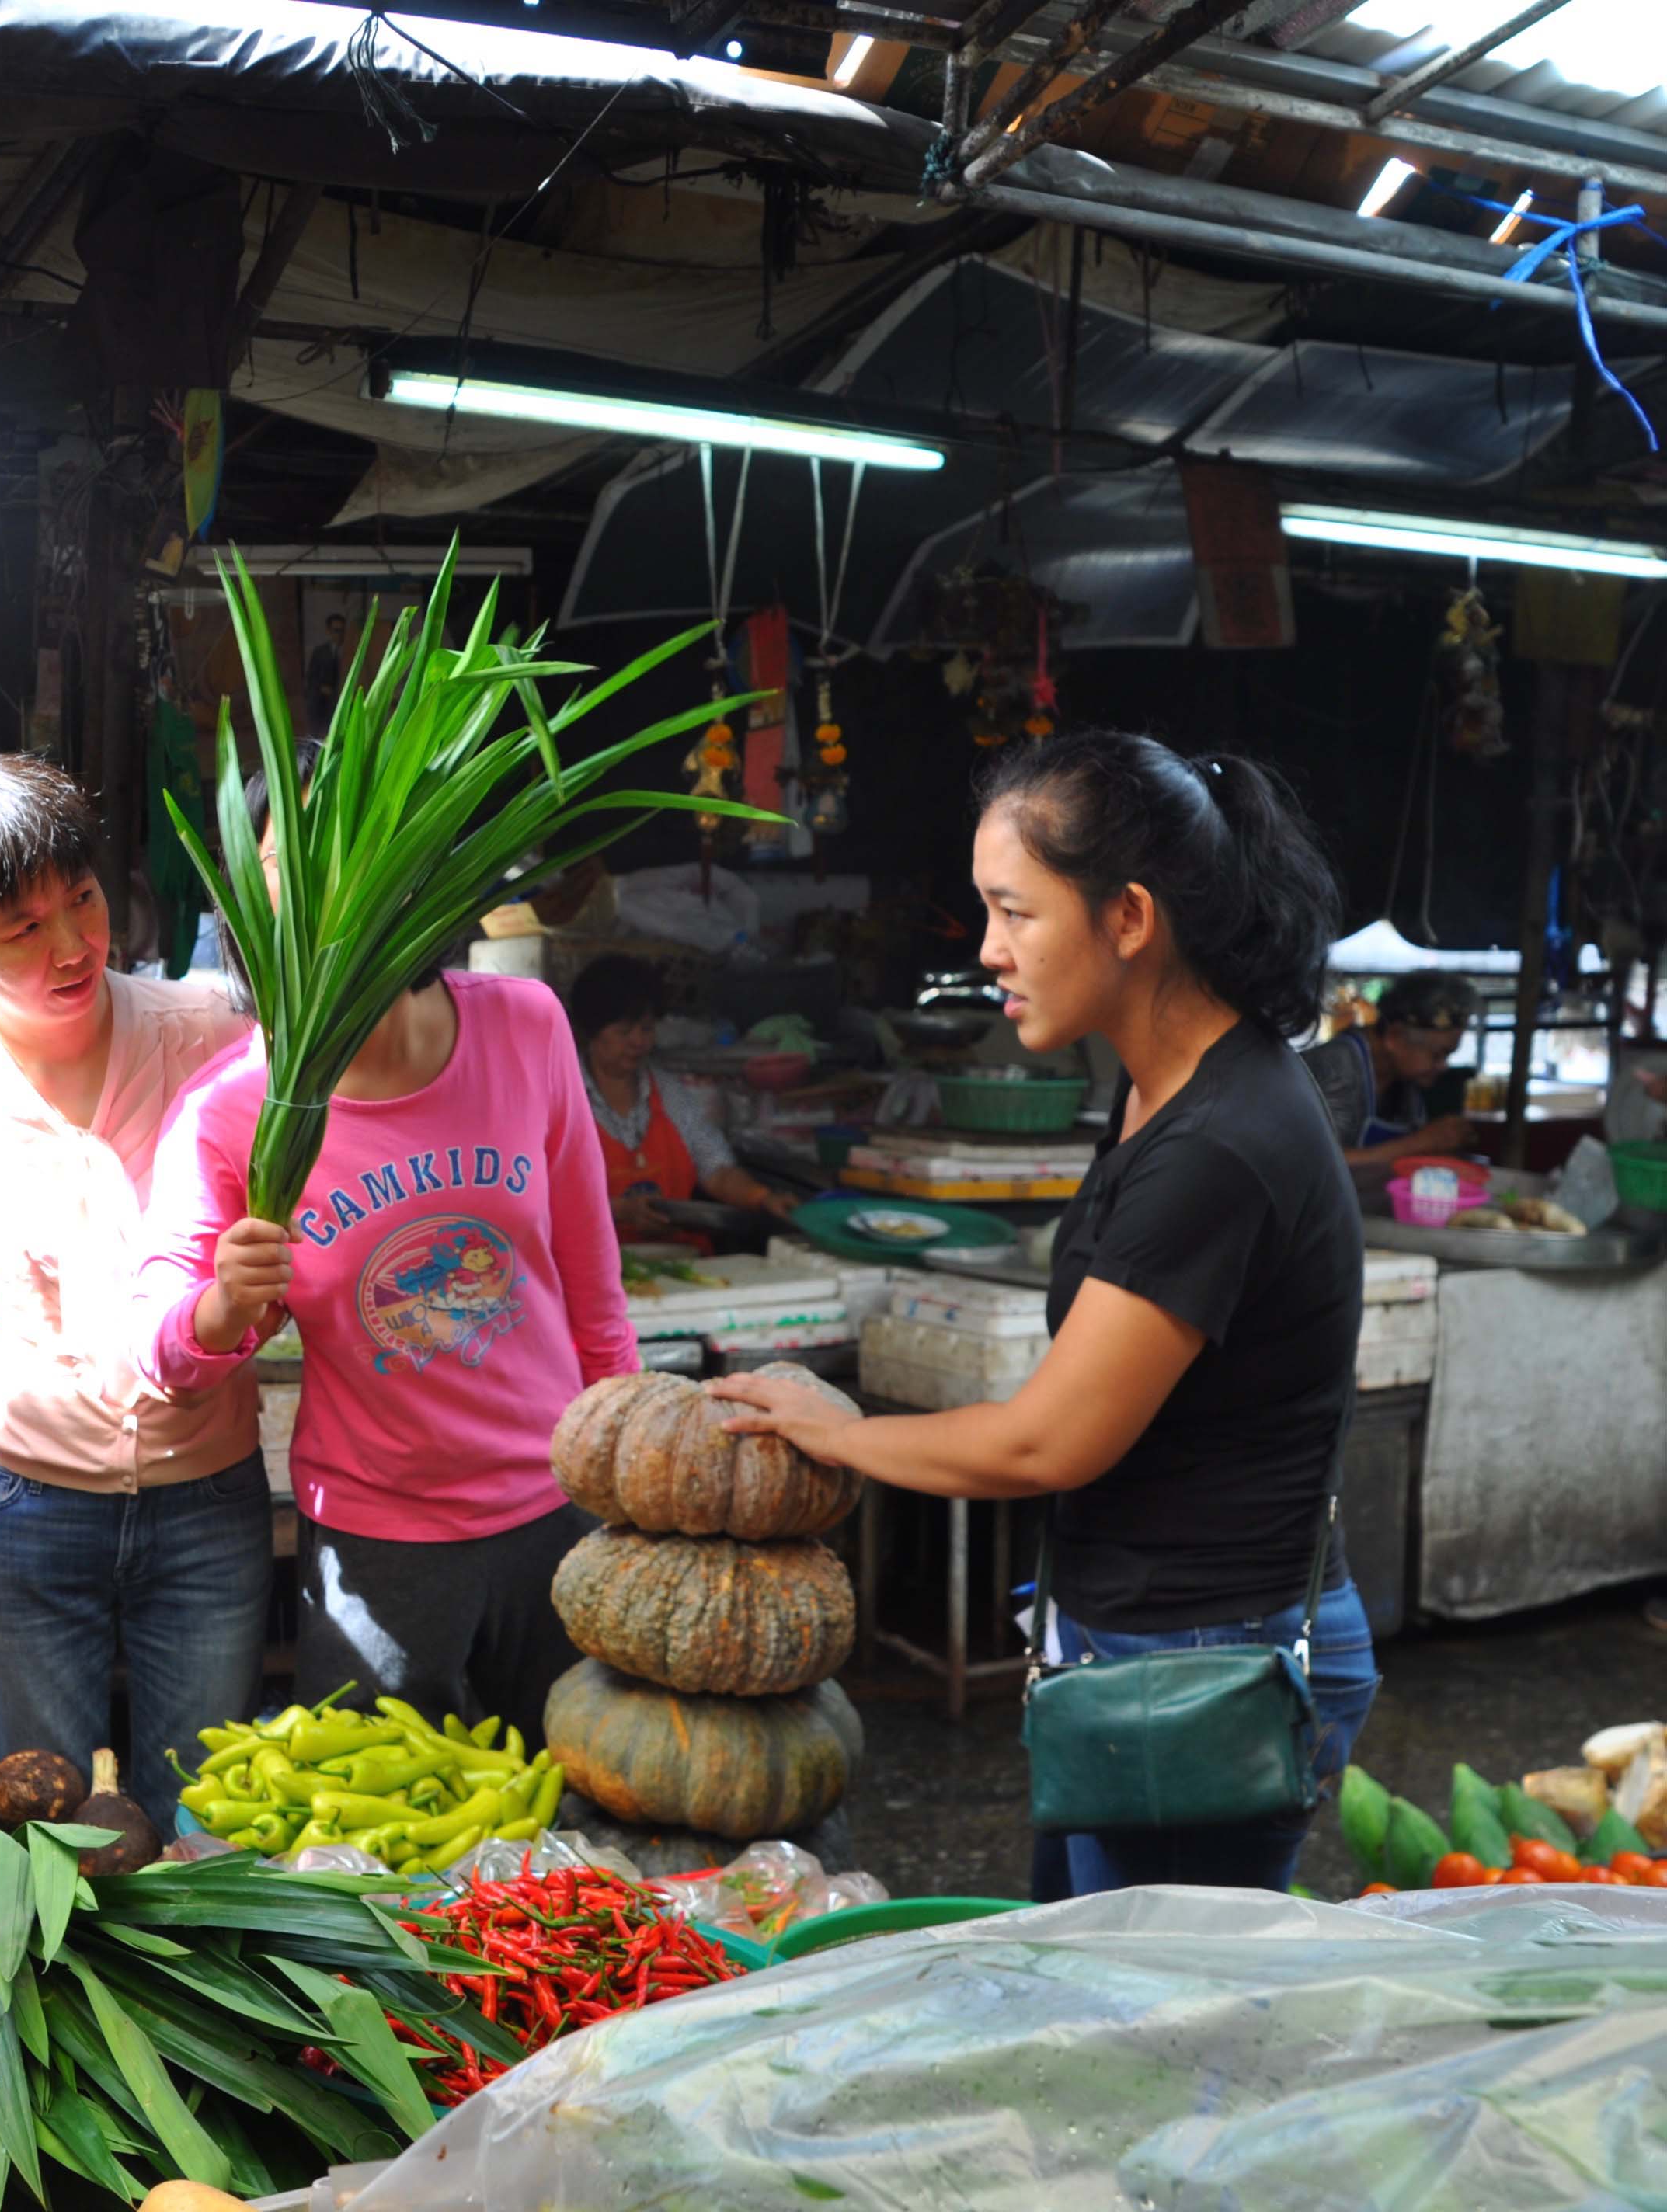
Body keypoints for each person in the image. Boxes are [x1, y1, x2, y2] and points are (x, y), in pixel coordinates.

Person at [714, 732, 1380, 1897]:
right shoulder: (1162, 1085)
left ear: (1127, 917)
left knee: (1155, 2040)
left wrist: (833, 1431)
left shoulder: (1216, 1145)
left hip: (1198, 1667)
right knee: (1092, 1995)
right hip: (1146, 1639)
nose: (987, 952)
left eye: (1013, 913)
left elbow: (1045, 1441)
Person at [127, 752, 639, 1747]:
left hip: (557, 1515)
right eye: (284, 858)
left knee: (582, 1834)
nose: (317, 883)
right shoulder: (235, 1110)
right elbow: (157, 1346)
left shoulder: (526, 1025)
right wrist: (223, 1307)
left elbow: (592, 1285)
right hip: (380, 1549)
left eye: (350, 845)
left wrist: (626, 1486)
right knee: (388, 1865)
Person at [0, 756, 265, 1835]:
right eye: (21, 930)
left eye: (78, 901)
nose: (70, 946)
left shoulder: (207, 1034)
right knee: (45, 1828)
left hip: (210, 1494)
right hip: (26, 1510)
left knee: (204, 1822)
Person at [565, 953, 797, 1243]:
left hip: (678, 1262)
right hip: (593, 1269)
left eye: (647, 1029)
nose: (639, 1041)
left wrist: (762, 1198)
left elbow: (717, 1170)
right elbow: (545, 1197)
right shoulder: (561, 1098)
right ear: (590, 1032)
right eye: (624, 1031)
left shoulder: (670, 1093)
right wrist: (622, 1212)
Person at [1299, 969, 1480, 1178]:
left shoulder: (1405, 1082)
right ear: (1395, 1036)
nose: (1443, 1066)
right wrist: (1420, 1143)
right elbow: (1315, 1163)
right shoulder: (1337, 1068)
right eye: (1437, 1055)